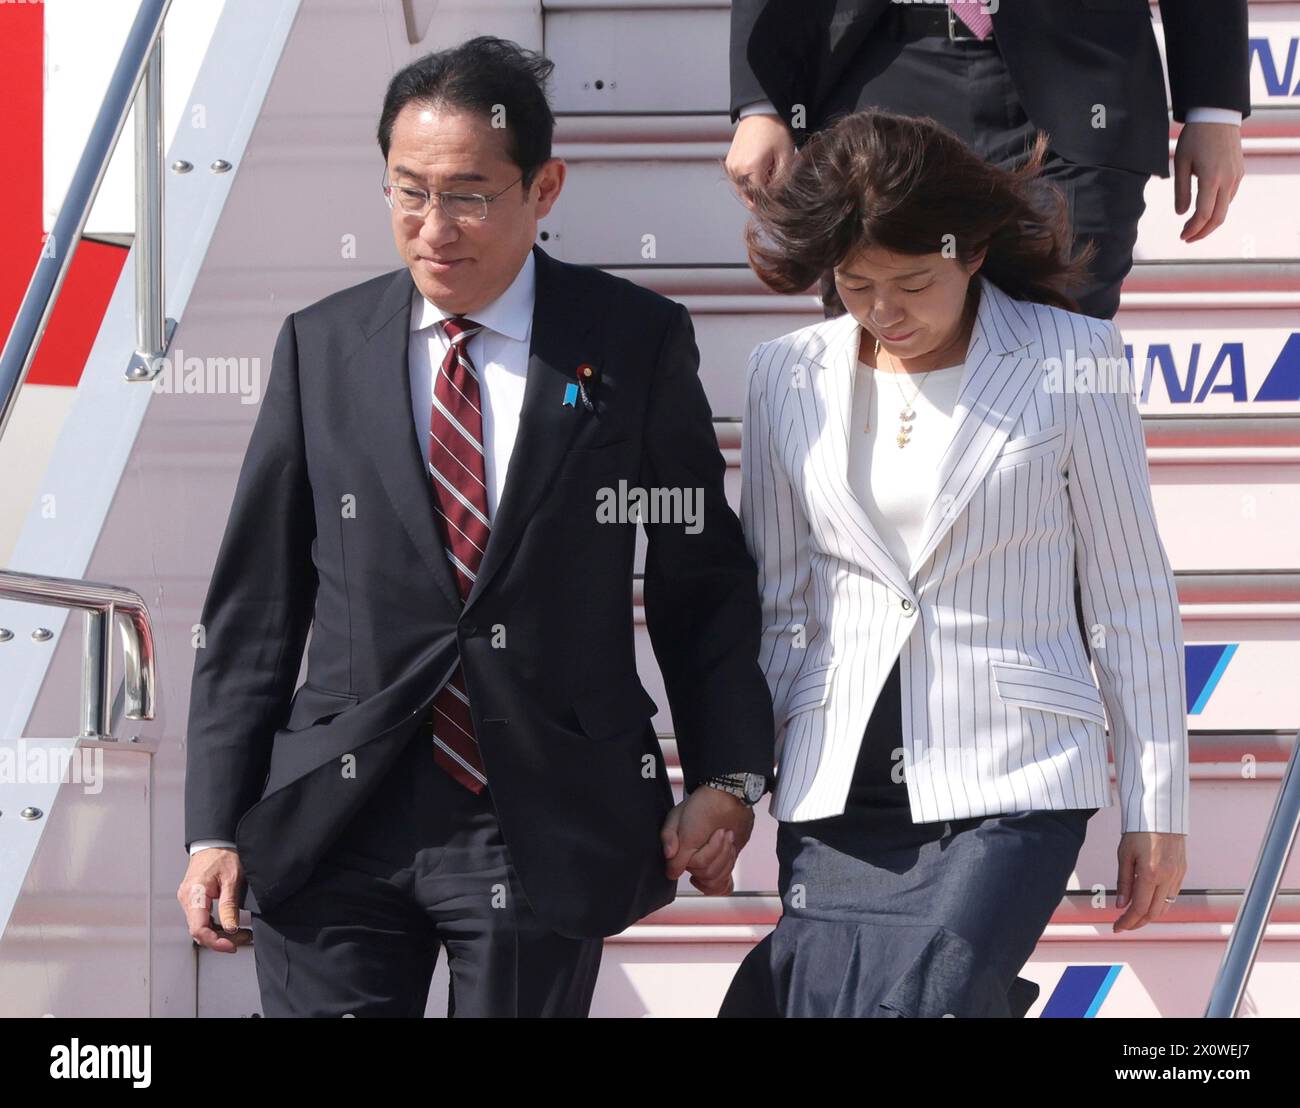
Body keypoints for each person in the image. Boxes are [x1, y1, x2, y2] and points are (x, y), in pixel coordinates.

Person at [177, 35, 774, 1018]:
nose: (432, 227)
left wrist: (728, 776)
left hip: (541, 811)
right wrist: (213, 826)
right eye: (407, 191)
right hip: (338, 812)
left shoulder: (629, 343)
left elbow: (699, 581)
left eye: (468, 194)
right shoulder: (319, 347)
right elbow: (256, 612)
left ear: (544, 190)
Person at [721, 110, 1188, 1018]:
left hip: (1011, 777)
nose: (884, 310)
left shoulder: (1074, 359)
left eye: (912, 281)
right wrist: (739, 780)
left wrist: (1155, 803)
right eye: (856, 285)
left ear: (972, 252)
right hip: (838, 780)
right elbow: (778, 606)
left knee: (935, 1000)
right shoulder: (785, 373)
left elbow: (1130, 595)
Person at [725, 0, 1249, 320]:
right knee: (884, 351)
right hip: (876, 67)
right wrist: (764, 101)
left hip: (1081, 81)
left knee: (1056, 359)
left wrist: (1214, 108)